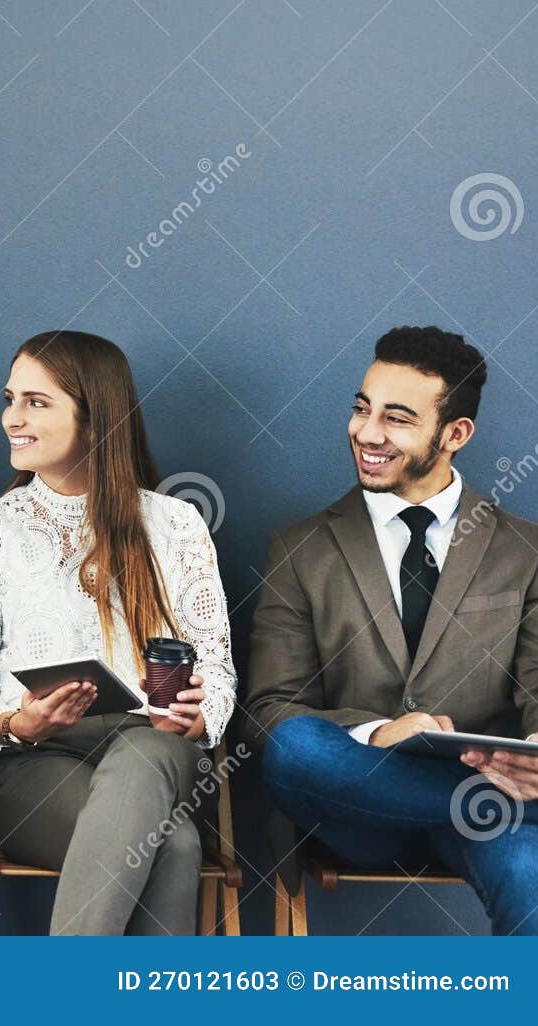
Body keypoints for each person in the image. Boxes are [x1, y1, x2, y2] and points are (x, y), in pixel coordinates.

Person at [246, 326, 538, 935]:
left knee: (528, 875)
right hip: (360, 810)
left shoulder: (526, 551)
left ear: (454, 434)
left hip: (495, 819)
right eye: (361, 408)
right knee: (295, 749)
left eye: (397, 418)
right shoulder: (300, 549)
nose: (367, 433)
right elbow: (271, 709)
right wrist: (378, 734)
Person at [0, 330, 235, 935]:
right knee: (175, 848)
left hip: (152, 747)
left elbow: (219, 671)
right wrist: (16, 722)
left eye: (36, 402)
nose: (11, 419)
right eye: (10, 398)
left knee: (150, 750)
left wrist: (200, 713)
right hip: (35, 761)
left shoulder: (176, 525)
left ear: (95, 416)